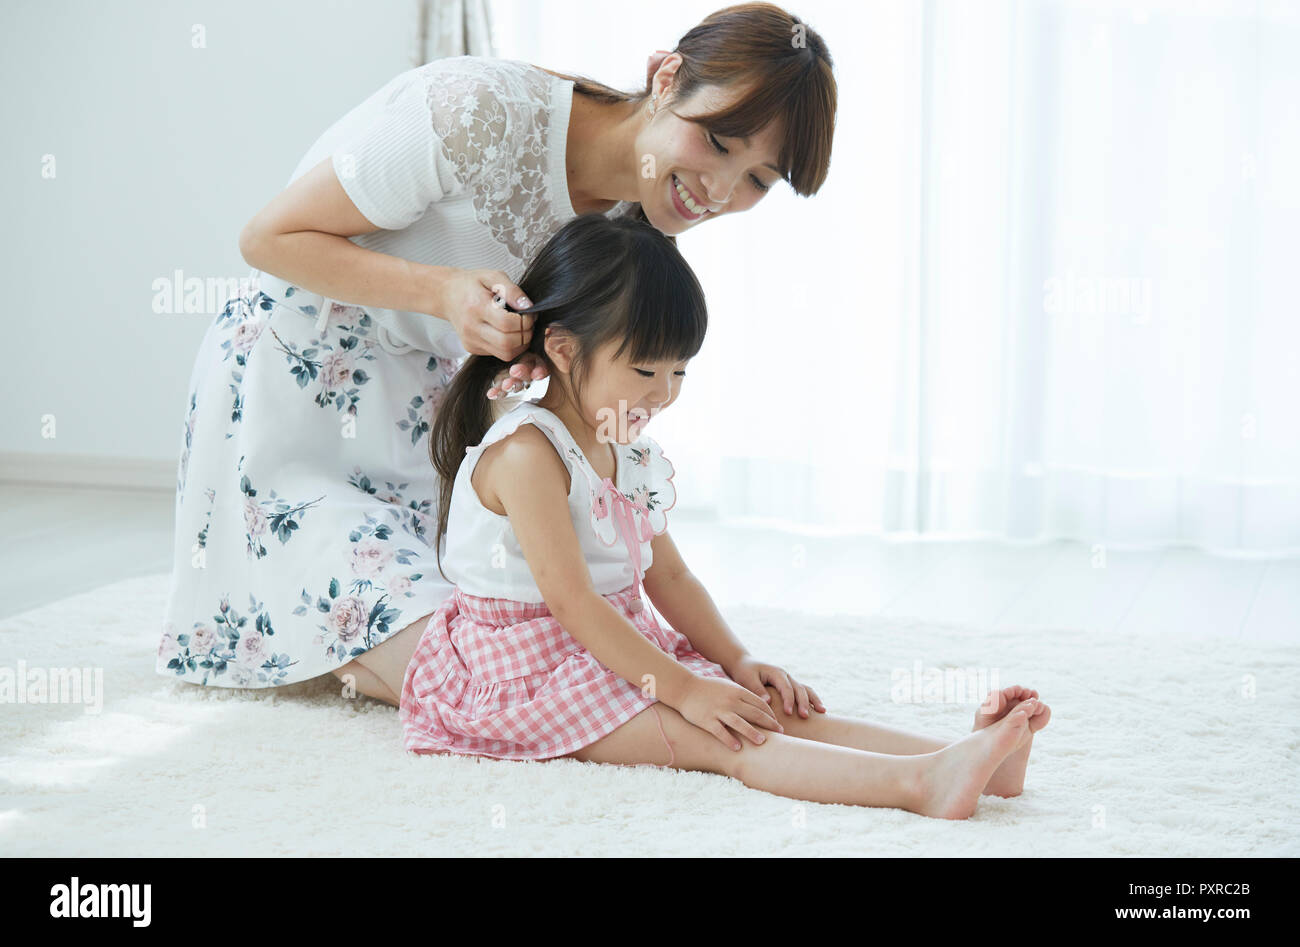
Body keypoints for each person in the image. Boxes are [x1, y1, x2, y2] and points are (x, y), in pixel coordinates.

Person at [156, 3, 839, 705]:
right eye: (721, 143)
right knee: (469, 674)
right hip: (288, 398)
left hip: (424, 423)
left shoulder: (638, 225)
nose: (721, 192)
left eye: (760, 179)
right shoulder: (476, 112)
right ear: (667, 78)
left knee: (518, 647)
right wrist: (447, 294)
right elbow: (267, 239)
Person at [400, 213, 1051, 820]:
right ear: (565, 350)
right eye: (645, 368)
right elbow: (572, 602)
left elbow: (669, 577)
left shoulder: (627, 446)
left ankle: (973, 764)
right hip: (525, 666)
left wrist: (736, 661)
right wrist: (684, 690)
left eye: (679, 370)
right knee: (723, 737)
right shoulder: (527, 455)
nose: (663, 393)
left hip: (613, 641)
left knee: (760, 709)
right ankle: (922, 785)